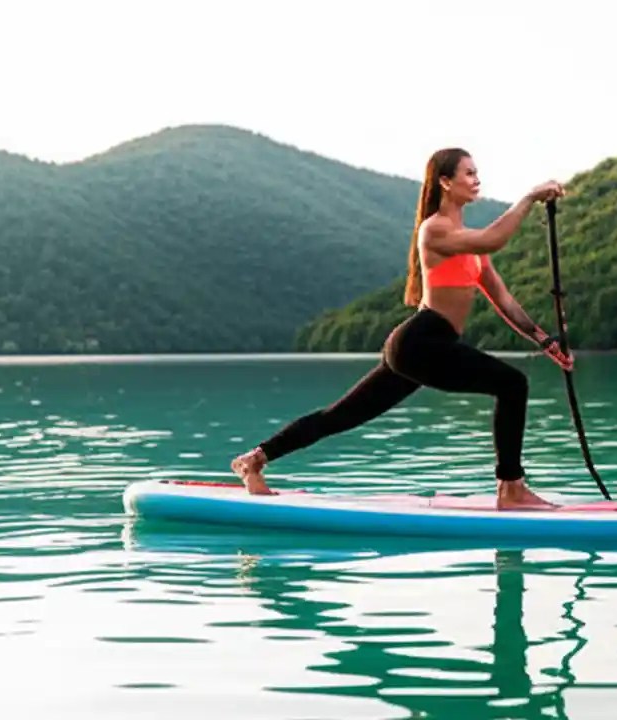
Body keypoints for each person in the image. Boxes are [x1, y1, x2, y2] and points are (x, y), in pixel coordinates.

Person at [230, 147, 574, 509]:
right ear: (445, 182)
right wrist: (529, 197)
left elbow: (503, 300)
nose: (476, 179)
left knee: (342, 415)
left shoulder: (470, 243)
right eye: (468, 173)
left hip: (423, 346)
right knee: (512, 384)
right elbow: (495, 238)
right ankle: (511, 489)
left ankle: (255, 460)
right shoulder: (435, 229)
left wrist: (545, 339)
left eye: (477, 173)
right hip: (423, 342)